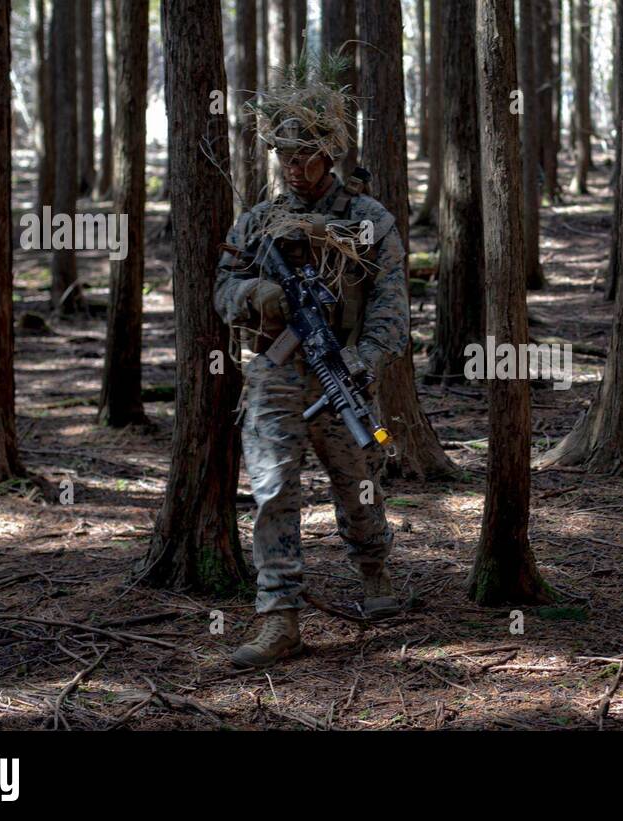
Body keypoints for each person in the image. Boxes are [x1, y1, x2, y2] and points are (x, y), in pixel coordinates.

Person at [214, 63, 409, 669]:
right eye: (284, 156)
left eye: (305, 156)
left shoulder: (368, 220)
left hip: (343, 374)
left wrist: (358, 360)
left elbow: (392, 308)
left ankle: (374, 568)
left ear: (330, 155)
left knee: (360, 483)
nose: (294, 168)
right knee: (273, 492)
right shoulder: (256, 222)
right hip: (275, 377)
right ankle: (279, 617)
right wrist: (258, 297)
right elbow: (221, 290)